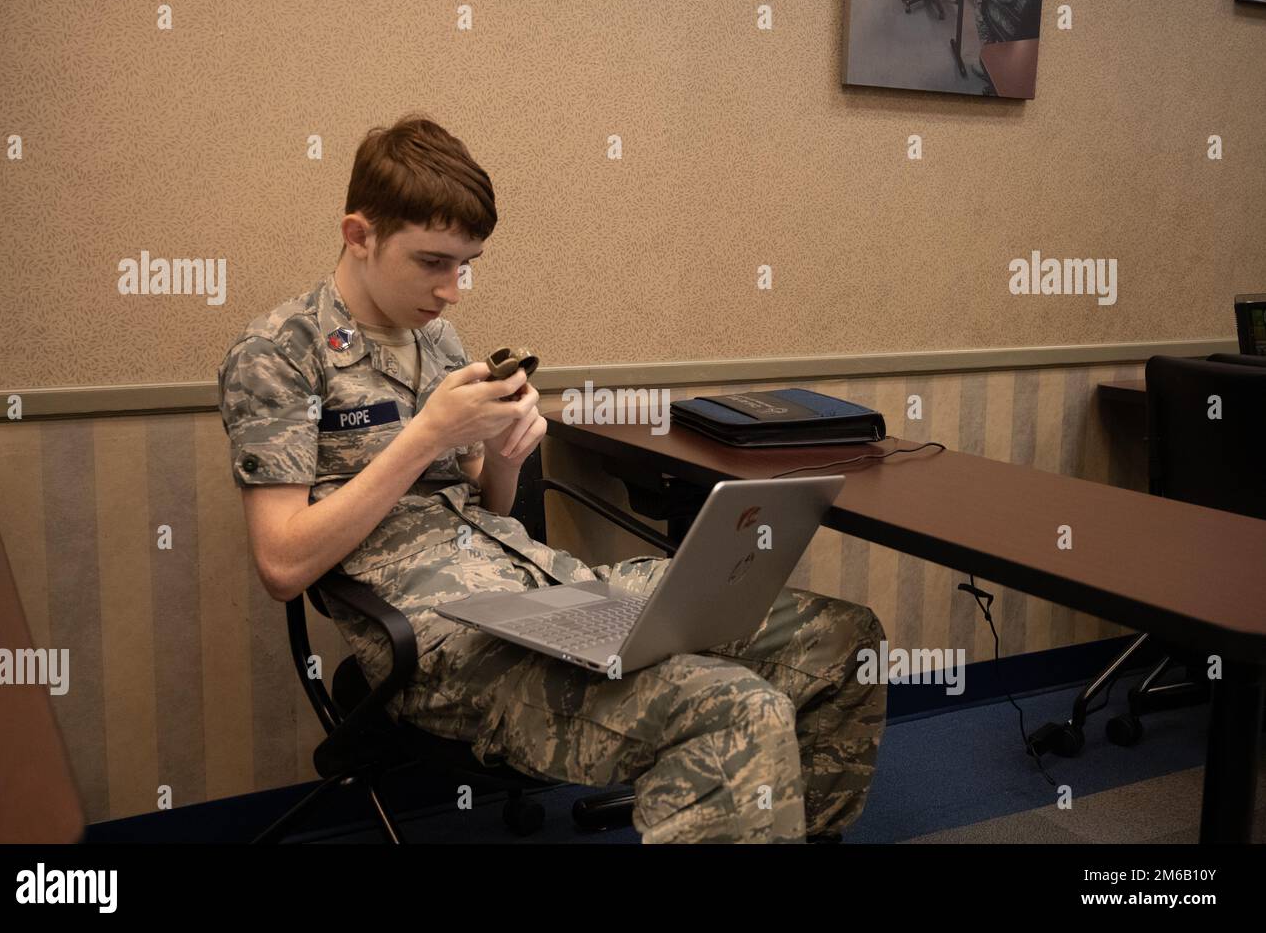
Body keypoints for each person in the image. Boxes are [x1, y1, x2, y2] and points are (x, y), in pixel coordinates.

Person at [217, 114, 887, 843]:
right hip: (436, 644)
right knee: (734, 706)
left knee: (845, 638)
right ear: (359, 235)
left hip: (541, 592)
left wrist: (503, 458)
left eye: (466, 264)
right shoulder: (280, 353)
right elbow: (282, 564)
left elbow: (487, 504)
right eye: (433, 262)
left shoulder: (434, 337)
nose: (453, 291)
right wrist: (426, 436)